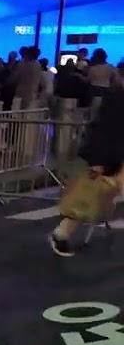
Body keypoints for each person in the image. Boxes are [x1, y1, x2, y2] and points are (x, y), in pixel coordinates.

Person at [49, 73, 124, 257]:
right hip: (110, 155)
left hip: (111, 156)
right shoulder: (117, 99)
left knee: (93, 195)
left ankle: (62, 233)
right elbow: (107, 130)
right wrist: (100, 160)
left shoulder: (115, 97)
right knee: (91, 195)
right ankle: (61, 233)